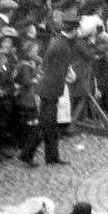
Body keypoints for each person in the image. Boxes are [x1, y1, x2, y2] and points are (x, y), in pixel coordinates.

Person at [20, 9, 79, 167]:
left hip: (48, 87)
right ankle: (26, 154)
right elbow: (58, 72)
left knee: (50, 124)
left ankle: (52, 156)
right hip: (50, 89)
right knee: (46, 123)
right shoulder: (63, 46)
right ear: (74, 29)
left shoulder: (59, 41)